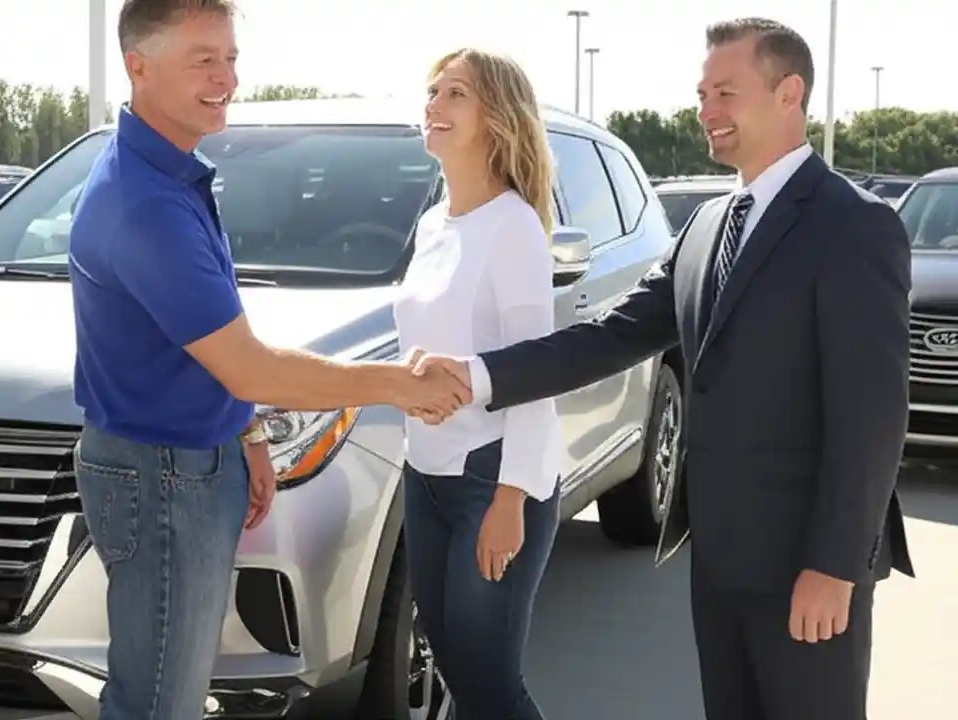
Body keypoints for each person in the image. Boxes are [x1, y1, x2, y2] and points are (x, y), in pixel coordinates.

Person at [412, 17, 914, 720]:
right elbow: (611, 335)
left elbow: (873, 418)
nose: (706, 109)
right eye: (702, 92)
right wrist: (478, 375)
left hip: (806, 566)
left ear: (788, 93)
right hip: (718, 560)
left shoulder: (854, 225)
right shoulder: (707, 226)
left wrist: (834, 567)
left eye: (726, 92)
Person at [66, 2, 469, 719]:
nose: (226, 78)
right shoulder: (145, 203)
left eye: (230, 57)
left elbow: (202, 348)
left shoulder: (169, 174)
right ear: (138, 67)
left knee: (169, 689)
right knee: (159, 701)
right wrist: (398, 384)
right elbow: (247, 366)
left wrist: (245, 432)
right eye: (203, 60)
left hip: (183, 462)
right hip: (163, 478)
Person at [392, 48, 563, 720]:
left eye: (454, 93)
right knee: (458, 675)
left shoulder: (515, 226)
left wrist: (510, 497)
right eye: (432, 89)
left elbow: (538, 373)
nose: (433, 103)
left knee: (489, 685)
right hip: (424, 473)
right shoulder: (435, 223)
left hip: (492, 478)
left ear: (497, 118)